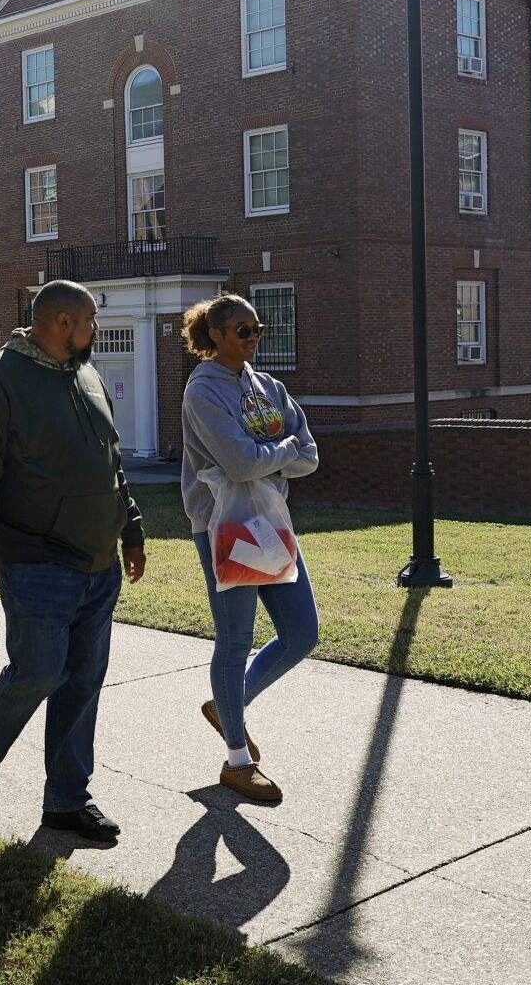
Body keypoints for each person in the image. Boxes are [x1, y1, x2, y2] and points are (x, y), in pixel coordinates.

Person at [0, 280, 146, 844]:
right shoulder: (0, 378)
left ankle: (67, 800)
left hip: (97, 561)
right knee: (40, 670)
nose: (94, 328)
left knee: (82, 681)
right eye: (89, 319)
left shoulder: (87, 375)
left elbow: (111, 463)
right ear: (62, 321)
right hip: (36, 559)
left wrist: (131, 530)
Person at [180, 294, 320, 804]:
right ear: (215, 335)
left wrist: (272, 455)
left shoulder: (271, 387)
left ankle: (227, 705)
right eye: (242, 329)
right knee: (235, 641)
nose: (252, 336)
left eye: (256, 328)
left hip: (270, 520)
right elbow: (241, 463)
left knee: (302, 633)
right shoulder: (203, 390)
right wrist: (280, 451)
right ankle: (237, 760)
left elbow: (312, 456)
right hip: (224, 523)